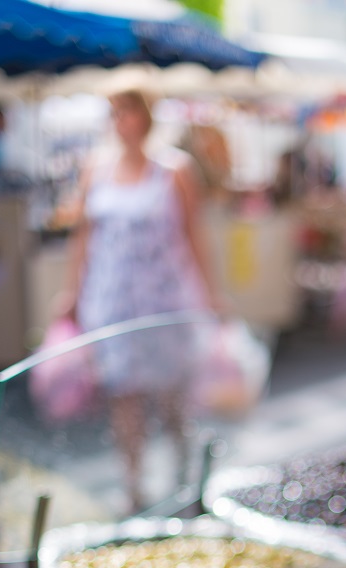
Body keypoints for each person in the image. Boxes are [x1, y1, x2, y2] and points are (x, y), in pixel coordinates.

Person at [62, 88, 217, 511]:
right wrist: (72, 292)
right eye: (116, 114)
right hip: (112, 302)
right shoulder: (96, 168)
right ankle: (133, 488)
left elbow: (195, 237)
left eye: (129, 113)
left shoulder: (175, 170)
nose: (122, 123)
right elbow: (84, 237)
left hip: (163, 304)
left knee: (170, 399)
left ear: (146, 118)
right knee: (124, 398)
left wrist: (212, 297)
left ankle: (185, 480)